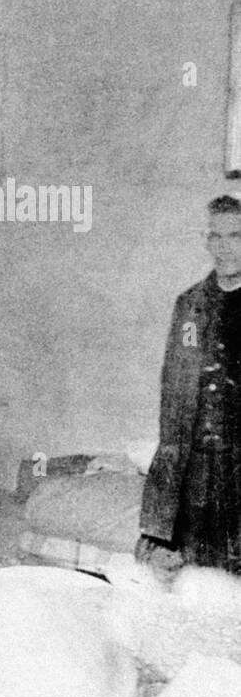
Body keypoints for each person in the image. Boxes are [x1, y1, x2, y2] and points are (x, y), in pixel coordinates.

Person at [138, 194, 241, 579]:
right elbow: (175, 401)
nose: (225, 247)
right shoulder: (191, 306)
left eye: (235, 236)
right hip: (199, 467)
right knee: (192, 582)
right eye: (216, 237)